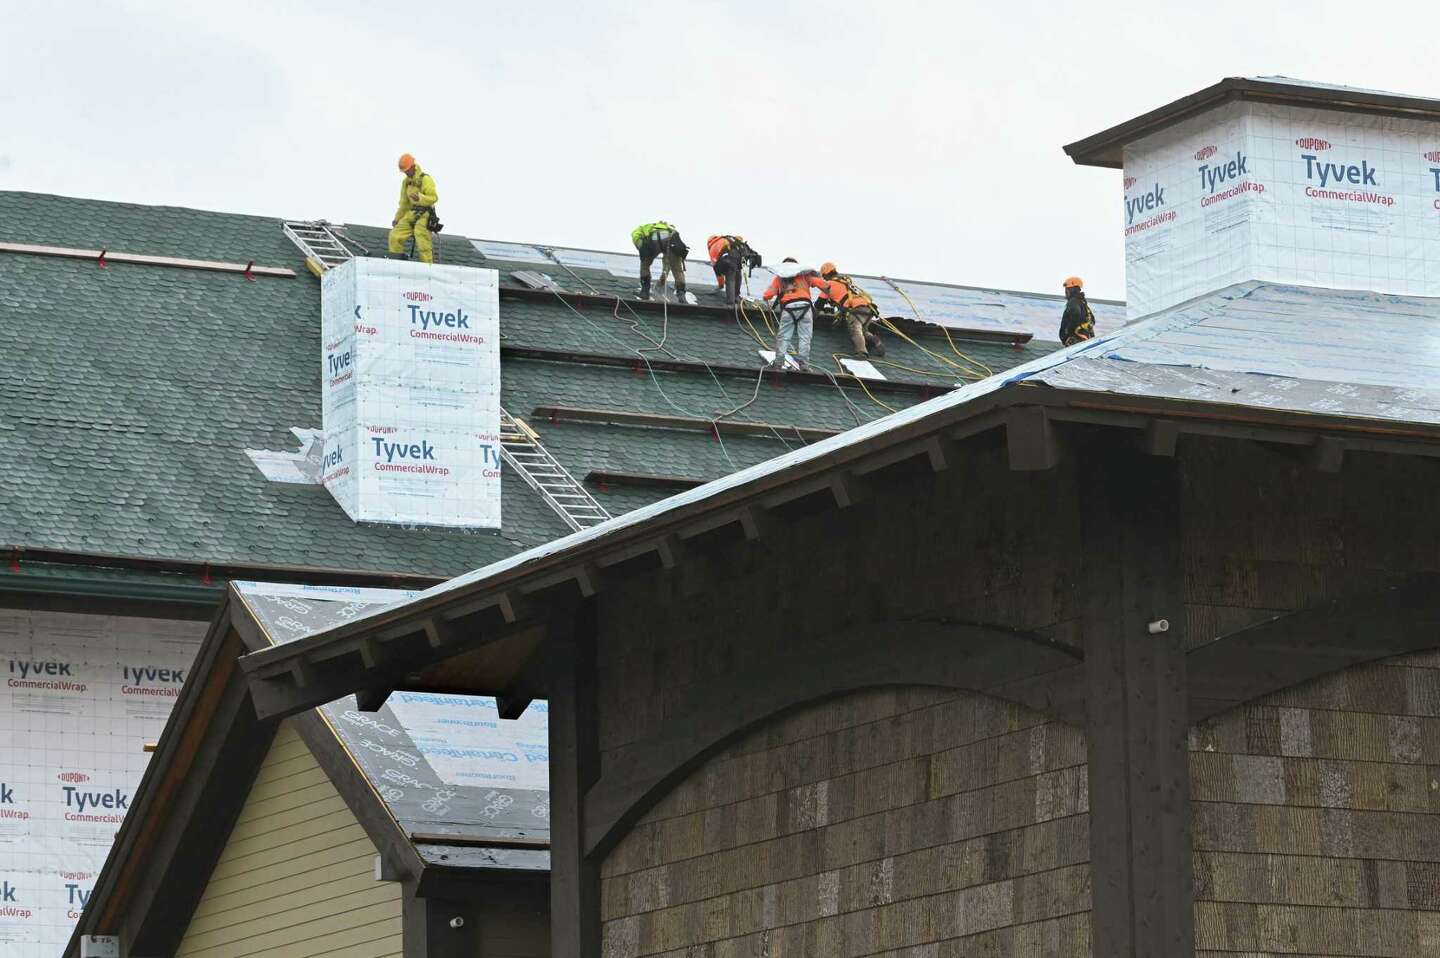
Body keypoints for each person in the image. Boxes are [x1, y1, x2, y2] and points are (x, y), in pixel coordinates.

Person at [762, 258, 828, 371]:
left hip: (788, 309)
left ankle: (778, 364)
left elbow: (767, 295)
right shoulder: (805, 276)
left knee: (784, 337)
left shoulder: (779, 278)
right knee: (805, 337)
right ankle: (804, 365)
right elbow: (825, 285)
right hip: (805, 308)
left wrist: (767, 296)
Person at [817, 262, 886, 358]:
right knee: (862, 330)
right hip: (868, 308)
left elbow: (819, 304)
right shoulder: (845, 281)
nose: (824, 279)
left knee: (855, 329)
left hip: (856, 309)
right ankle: (876, 341)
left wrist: (814, 315)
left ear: (826, 274)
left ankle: (862, 353)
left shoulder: (828, 284)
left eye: (824, 276)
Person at [387, 154, 440, 264]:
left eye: (407, 170)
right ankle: (397, 263)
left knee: (421, 236)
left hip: (425, 213)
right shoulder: (406, 182)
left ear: (413, 166)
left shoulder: (425, 179)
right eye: (404, 171)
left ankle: (428, 267)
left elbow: (433, 198)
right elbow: (404, 204)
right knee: (394, 235)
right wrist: (397, 218)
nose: (406, 173)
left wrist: (420, 198)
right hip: (412, 213)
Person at [631, 222, 689, 301]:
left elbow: (636, 236)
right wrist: (664, 275)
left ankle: (644, 292)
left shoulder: (641, 228)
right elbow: (667, 261)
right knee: (677, 270)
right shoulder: (670, 228)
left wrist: (643, 251)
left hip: (655, 238)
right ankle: (682, 297)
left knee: (645, 266)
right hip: (672, 239)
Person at [706, 235, 762, 306]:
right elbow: (740, 238)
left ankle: (730, 303)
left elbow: (715, 268)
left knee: (730, 278)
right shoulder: (727, 239)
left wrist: (720, 285)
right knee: (738, 274)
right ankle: (736, 297)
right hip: (743, 255)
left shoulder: (713, 247)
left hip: (732, 256)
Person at [1059, 276, 1096, 346]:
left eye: (1068, 289)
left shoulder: (1073, 302)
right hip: (1083, 339)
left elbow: (1075, 314)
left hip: (1075, 340)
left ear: (1073, 289)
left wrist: (1069, 335)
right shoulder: (1082, 302)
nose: (1066, 291)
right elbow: (1093, 320)